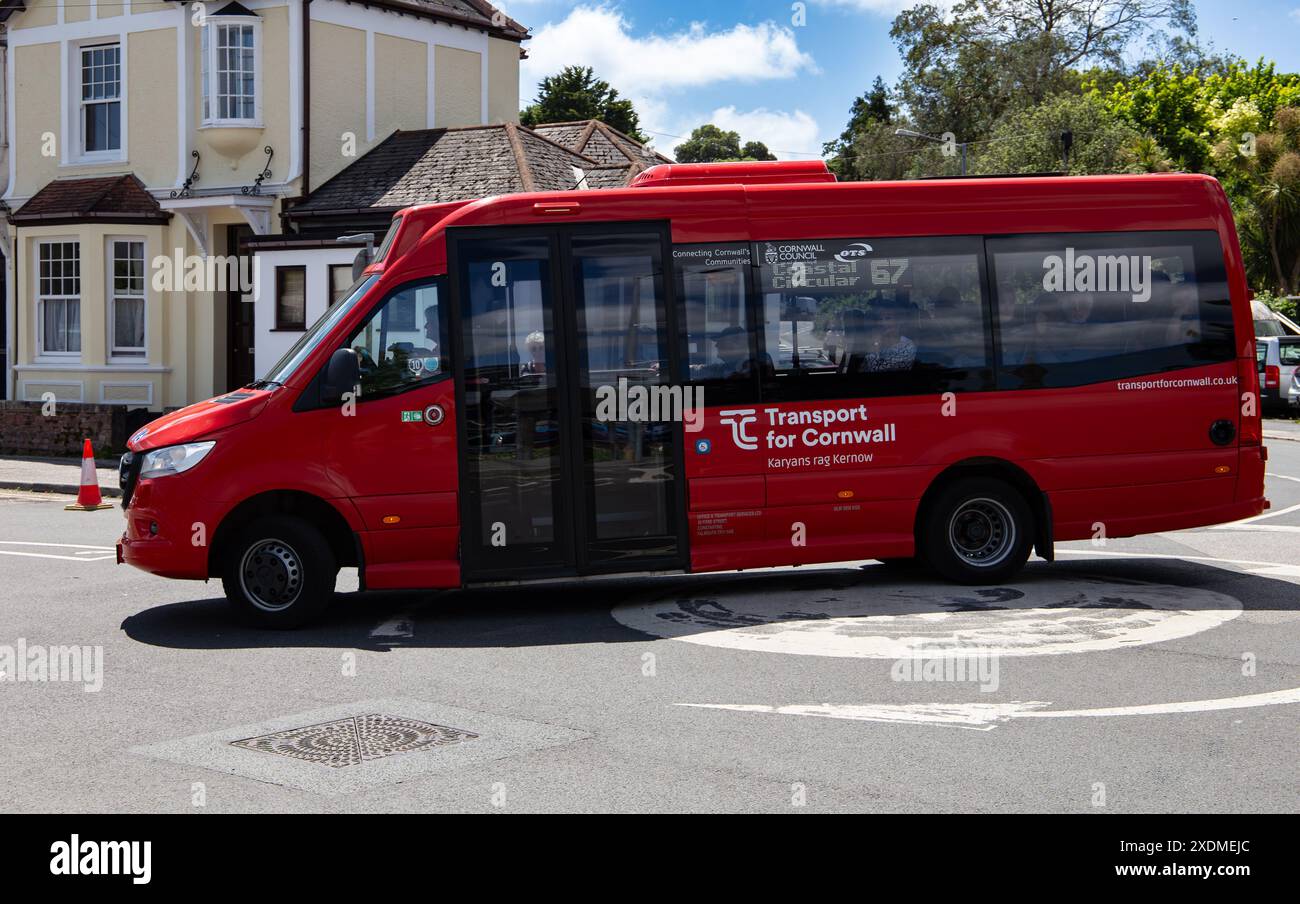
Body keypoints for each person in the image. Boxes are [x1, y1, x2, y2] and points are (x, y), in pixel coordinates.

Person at [860, 299, 917, 372]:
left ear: (897, 320)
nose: (883, 323)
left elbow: (878, 369)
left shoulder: (908, 345)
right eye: (880, 319)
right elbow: (864, 368)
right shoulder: (875, 341)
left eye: (888, 318)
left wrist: (876, 345)